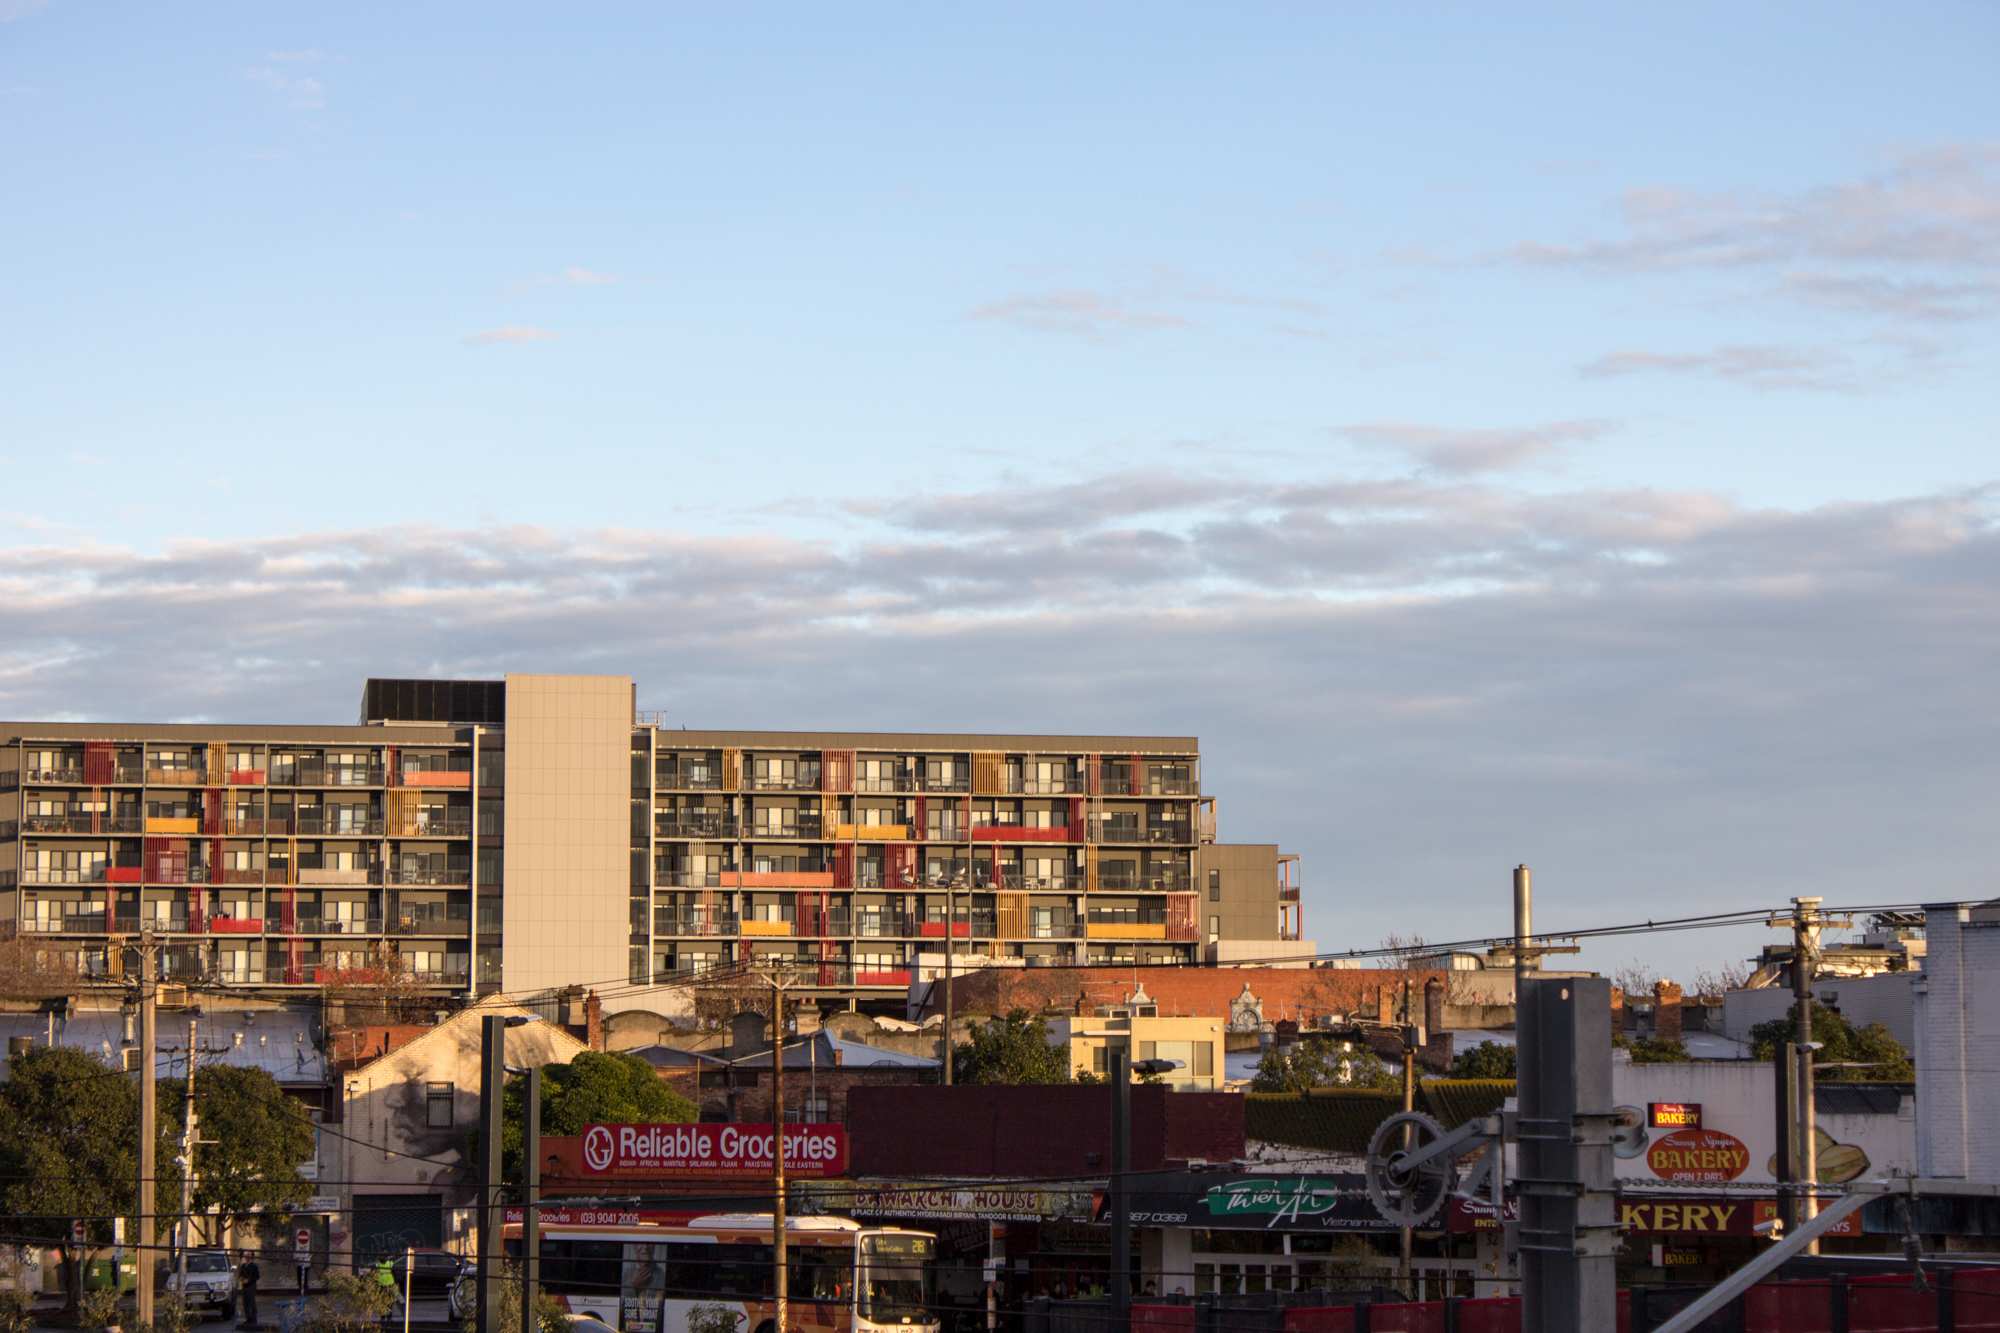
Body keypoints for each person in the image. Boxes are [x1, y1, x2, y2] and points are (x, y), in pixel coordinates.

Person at [238, 1252, 262, 1329]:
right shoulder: (243, 1265)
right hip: (244, 1286)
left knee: (251, 1302)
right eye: (246, 1256)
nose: (247, 1257)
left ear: (252, 1257)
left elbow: (257, 1276)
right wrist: (242, 1279)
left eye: (248, 1256)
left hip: (251, 1286)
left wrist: (249, 1280)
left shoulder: (254, 1266)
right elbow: (240, 1275)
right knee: (245, 1302)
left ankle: (253, 1319)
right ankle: (248, 1318)